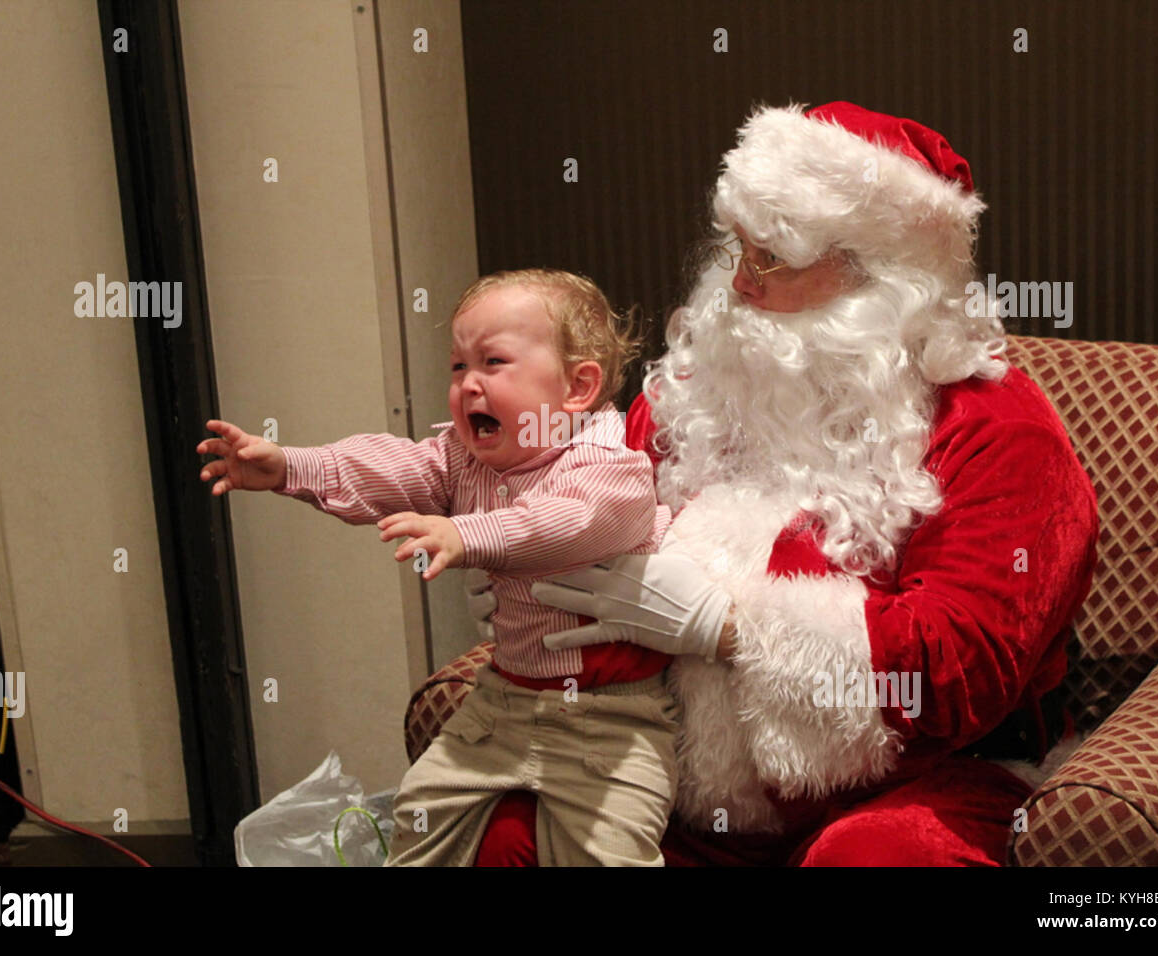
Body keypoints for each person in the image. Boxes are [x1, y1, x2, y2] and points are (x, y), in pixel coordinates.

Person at [465, 102, 1100, 866]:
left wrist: (730, 627)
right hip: (676, 770)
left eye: (774, 258)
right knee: (520, 832)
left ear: (882, 277)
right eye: (738, 247)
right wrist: (536, 572)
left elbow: (960, 667)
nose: (740, 282)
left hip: (917, 780)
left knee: (873, 859)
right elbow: (594, 504)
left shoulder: (997, 431)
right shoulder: (695, 391)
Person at [196, 268, 687, 865]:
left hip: (612, 720)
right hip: (503, 701)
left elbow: (562, 525)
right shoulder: (465, 459)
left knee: (610, 854)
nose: (468, 386)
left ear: (578, 389)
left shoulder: (612, 470)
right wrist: (293, 468)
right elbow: (392, 466)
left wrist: (465, 532)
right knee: (421, 811)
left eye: (493, 363)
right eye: (458, 367)